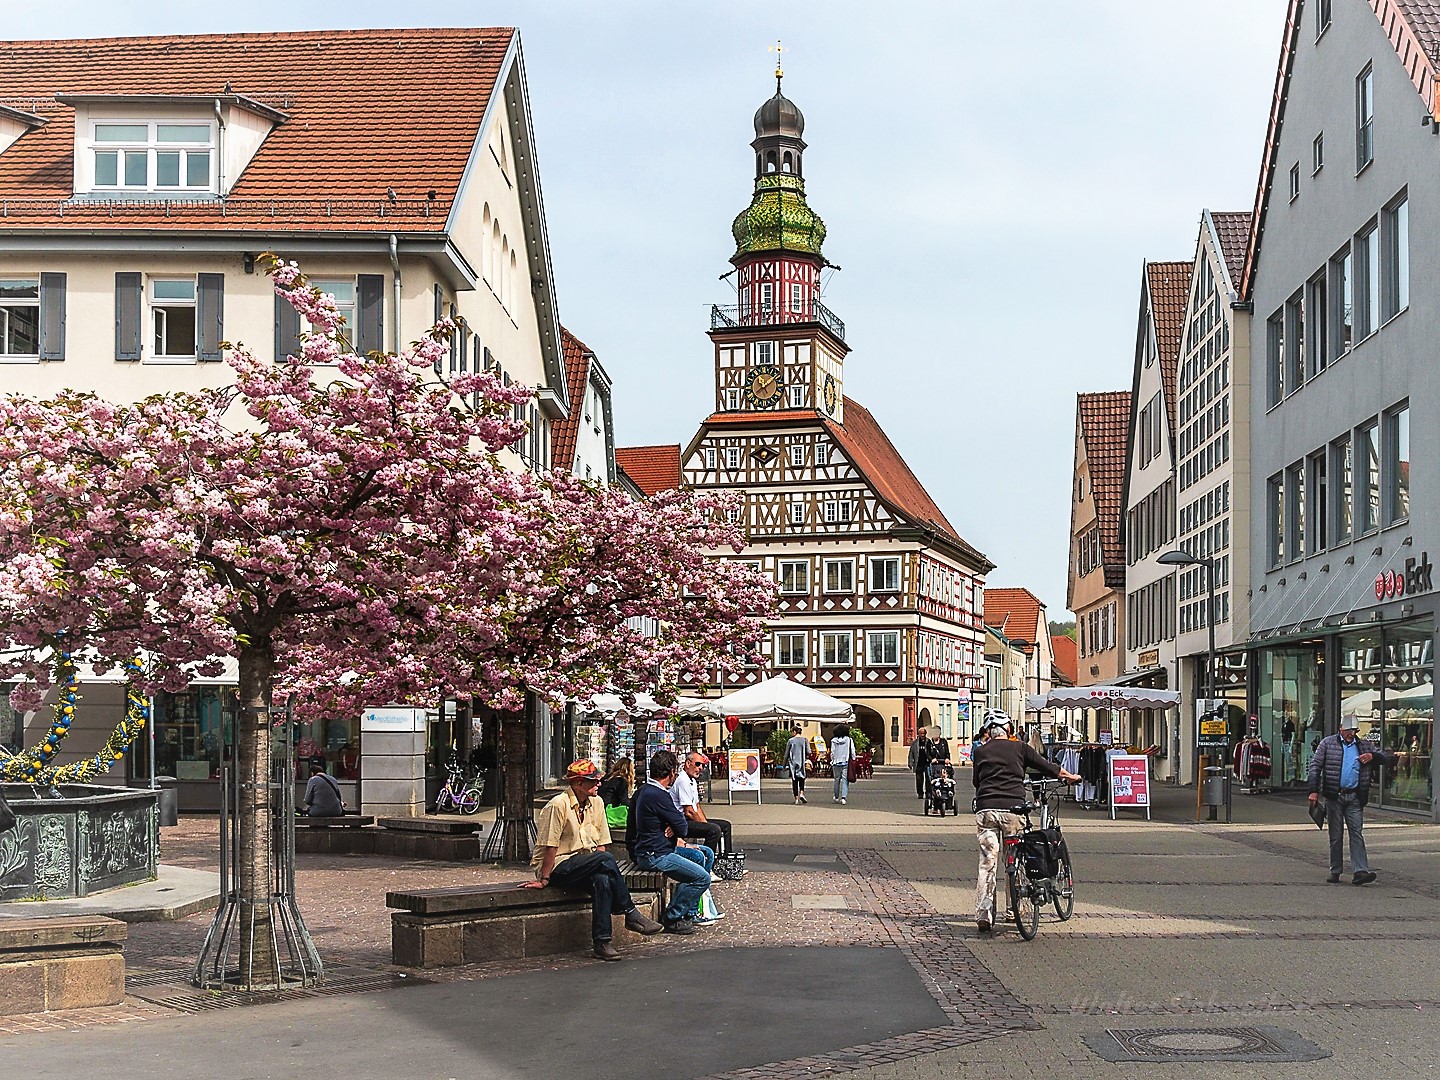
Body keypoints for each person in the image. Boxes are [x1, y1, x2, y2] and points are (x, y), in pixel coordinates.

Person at [524, 759, 663, 960]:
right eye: (594, 781)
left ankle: (602, 942)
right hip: (557, 865)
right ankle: (630, 912)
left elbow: (601, 843)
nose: (599, 784)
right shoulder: (558, 805)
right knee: (604, 859)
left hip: (586, 863)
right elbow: (550, 846)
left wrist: (599, 864)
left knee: (602, 879)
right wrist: (544, 878)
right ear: (578, 783)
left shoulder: (597, 803)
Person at [971, 710, 1079, 933]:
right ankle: (1015, 910)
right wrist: (1070, 777)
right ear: (1009, 729)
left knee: (987, 862)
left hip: (986, 811)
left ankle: (984, 914)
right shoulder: (1020, 747)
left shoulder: (980, 751)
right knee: (1015, 859)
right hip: (1013, 811)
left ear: (989, 731)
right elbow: (1046, 766)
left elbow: (976, 781)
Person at [631, 749, 714, 933]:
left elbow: (678, 824)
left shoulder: (645, 790)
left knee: (703, 854)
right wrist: (673, 825)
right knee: (702, 878)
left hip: (658, 849)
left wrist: (672, 825)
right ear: (671, 773)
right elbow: (683, 827)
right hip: (656, 855)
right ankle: (672, 916)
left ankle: (690, 911)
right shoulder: (658, 795)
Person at [1308, 715, 1393, 885]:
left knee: (1356, 833)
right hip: (1334, 795)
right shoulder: (1327, 744)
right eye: (1348, 730)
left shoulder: (1363, 745)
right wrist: (1313, 791)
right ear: (1341, 728)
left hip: (1355, 796)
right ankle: (1335, 870)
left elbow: (1385, 756)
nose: (1351, 734)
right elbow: (1315, 766)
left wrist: (1372, 756)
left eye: (1354, 731)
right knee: (1336, 835)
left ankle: (1360, 871)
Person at [673, 750, 734, 867]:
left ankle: (728, 862)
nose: (700, 768)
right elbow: (689, 812)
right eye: (697, 764)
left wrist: (705, 823)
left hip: (689, 819)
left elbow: (697, 807)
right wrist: (706, 827)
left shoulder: (692, 781)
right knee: (714, 830)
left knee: (725, 825)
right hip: (681, 822)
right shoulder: (682, 781)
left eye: (703, 765)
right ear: (688, 763)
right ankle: (706, 866)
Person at [829, 724, 856, 804]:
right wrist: (853, 758)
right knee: (845, 780)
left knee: (836, 779)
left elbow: (832, 752)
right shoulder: (849, 740)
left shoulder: (833, 740)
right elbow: (852, 750)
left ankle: (836, 796)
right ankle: (843, 797)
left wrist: (832, 759)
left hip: (836, 762)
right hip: (845, 761)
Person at [785, 725, 811, 804]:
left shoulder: (790, 741)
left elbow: (786, 754)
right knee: (802, 779)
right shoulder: (805, 740)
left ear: (794, 732)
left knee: (794, 781)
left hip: (793, 763)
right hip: (802, 762)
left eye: (792, 732)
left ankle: (796, 799)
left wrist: (784, 764)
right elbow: (809, 751)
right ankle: (801, 793)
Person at [909, 730, 933, 798]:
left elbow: (932, 751)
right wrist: (910, 762)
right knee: (919, 780)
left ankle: (928, 793)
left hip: (927, 763)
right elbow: (911, 753)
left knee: (928, 779)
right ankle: (920, 793)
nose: (922, 735)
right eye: (921, 733)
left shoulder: (928, 742)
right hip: (918, 763)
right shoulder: (915, 743)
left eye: (924, 733)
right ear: (918, 734)